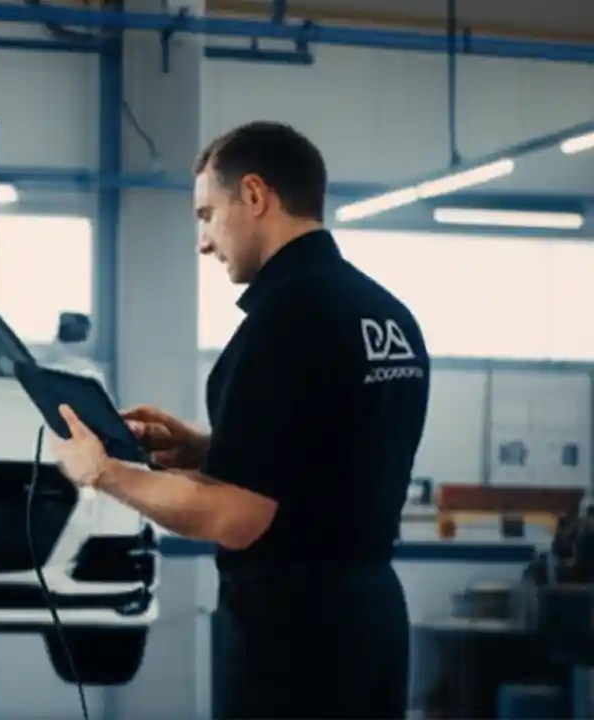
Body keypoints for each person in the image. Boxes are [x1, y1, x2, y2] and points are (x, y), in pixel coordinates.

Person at [48, 121, 430, 719]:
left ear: (254, 195)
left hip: (292, 641)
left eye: (207, 215)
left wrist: (104, 473)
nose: (204, 242)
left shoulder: (282, 323)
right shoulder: (386, 315)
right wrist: (205, 448)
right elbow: (327, 457)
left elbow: (236, 517)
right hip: (372, 622)